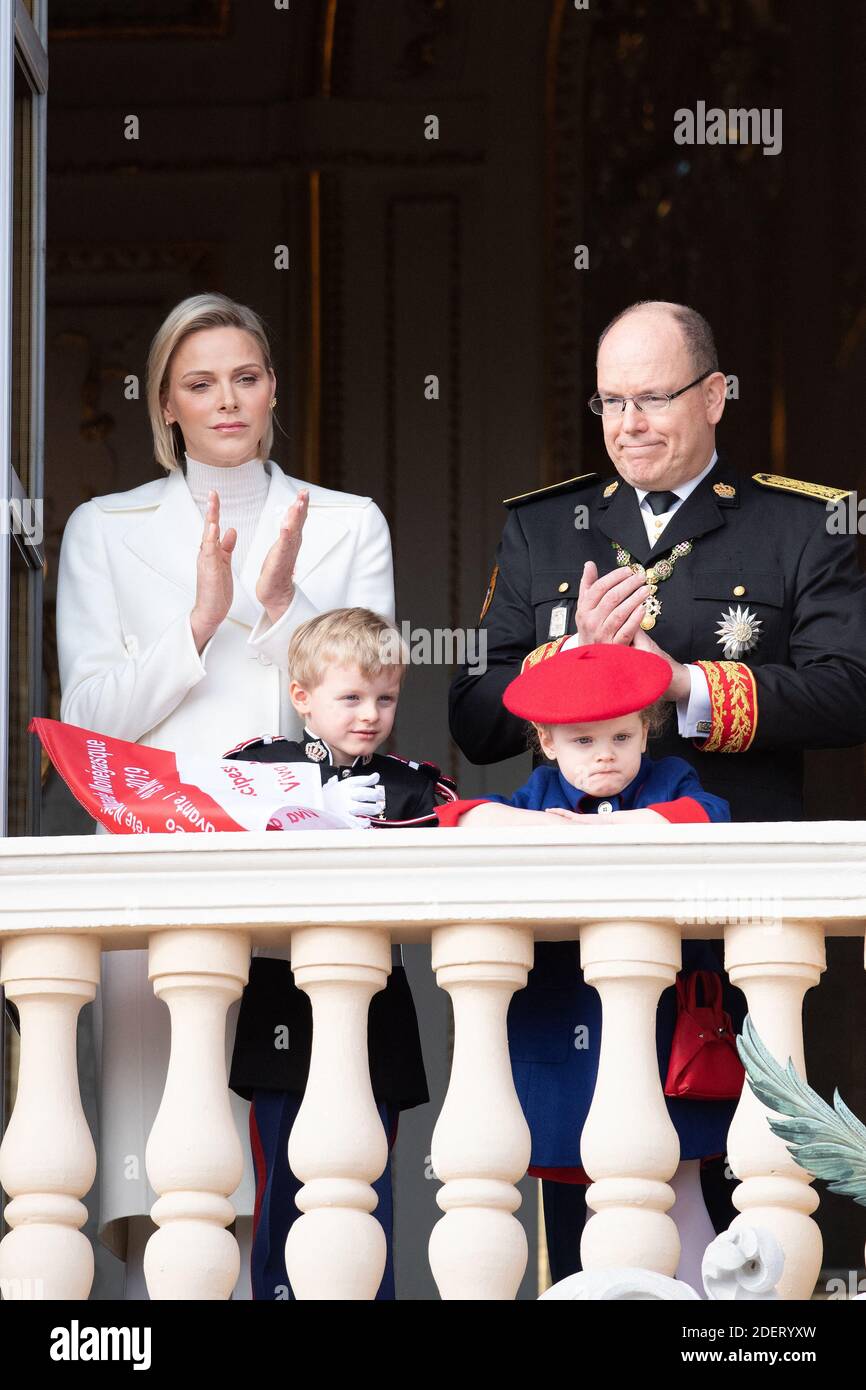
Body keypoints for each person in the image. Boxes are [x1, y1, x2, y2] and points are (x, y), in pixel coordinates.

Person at [55, 293, 395, 1299]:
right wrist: (199, 624)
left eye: (245, 376)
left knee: (301, 1161)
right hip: (156, 868)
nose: (227, 400)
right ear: (163, 403)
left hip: (303, 871)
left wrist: (283, 612)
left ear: (273, 386)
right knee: (170, 1173)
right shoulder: (101, 528)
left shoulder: (346, 522)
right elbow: (90, 717)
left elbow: (360, 707)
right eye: (200, 383)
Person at [449, 299, 866, 822]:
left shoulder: (800, 524)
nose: (630, 425)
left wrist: (684, 684)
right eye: (612, 402)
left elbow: (850, 693)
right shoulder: (543, 528)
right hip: (569, 867)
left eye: (652, 398)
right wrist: (578, 653)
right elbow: (473, 722)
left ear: (714, 397)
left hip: (736, 859)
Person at [438, 641, 745, 1291]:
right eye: (582, 741)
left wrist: (607, 832)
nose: (604, 753)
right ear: (547, 743)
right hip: (566, 1021)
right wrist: (540, 831)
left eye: (621, 736)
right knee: (582, 1191)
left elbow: (707, 817)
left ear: (645, 733)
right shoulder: (540, 791)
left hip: (657, 1025)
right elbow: (459, 819)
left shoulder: (668, 781)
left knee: (673, 1183)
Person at [224, 607, 456, 1300]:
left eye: (385, 698)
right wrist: (314, 804)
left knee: (367, 1185)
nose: (370, 715)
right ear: (303, 698)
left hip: (376, 1006)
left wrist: (383, 826)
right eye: (350, 697)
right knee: (281, 1185)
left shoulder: (411, 782)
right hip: (281, 998)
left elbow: (451, 836)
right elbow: (213, 820)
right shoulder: (258, 766)